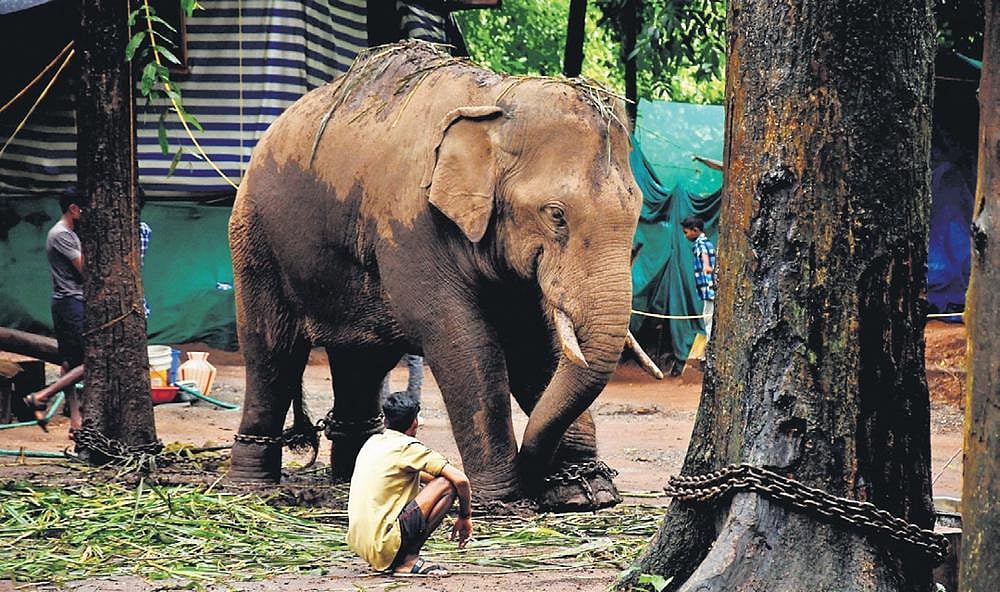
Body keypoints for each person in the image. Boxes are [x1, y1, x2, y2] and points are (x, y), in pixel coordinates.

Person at [347, 392, 473, 577]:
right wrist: (465, 516)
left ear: (385, 420)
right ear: (414, 422)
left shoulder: (373, 442)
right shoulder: (408, 447)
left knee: (443, 482)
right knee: (448, 485)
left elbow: (408, 474)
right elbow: (461, 480)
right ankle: (408, 560)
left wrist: (434, 484)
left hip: (363, 544)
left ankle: (392, 558)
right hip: (384, 543)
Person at [24, 189, 86, 432]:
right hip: (71, 303)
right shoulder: (62, 235)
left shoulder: (69, 233)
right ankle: (42, 396)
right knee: (90, 361)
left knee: (69, 362)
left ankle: (75, 421)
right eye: (85, 209)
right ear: (73, 209)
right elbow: (86, 270)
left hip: (68, 302)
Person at [681, 215, 717, 341]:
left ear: (695, 230)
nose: (685, 236)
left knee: (708, 317)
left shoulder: (700, 243)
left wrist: (706, 265)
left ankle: (709, 342)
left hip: (708, 286)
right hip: (710, 286)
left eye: (686, 232)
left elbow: (703, 253)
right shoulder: (707, 242)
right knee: (709, 314)